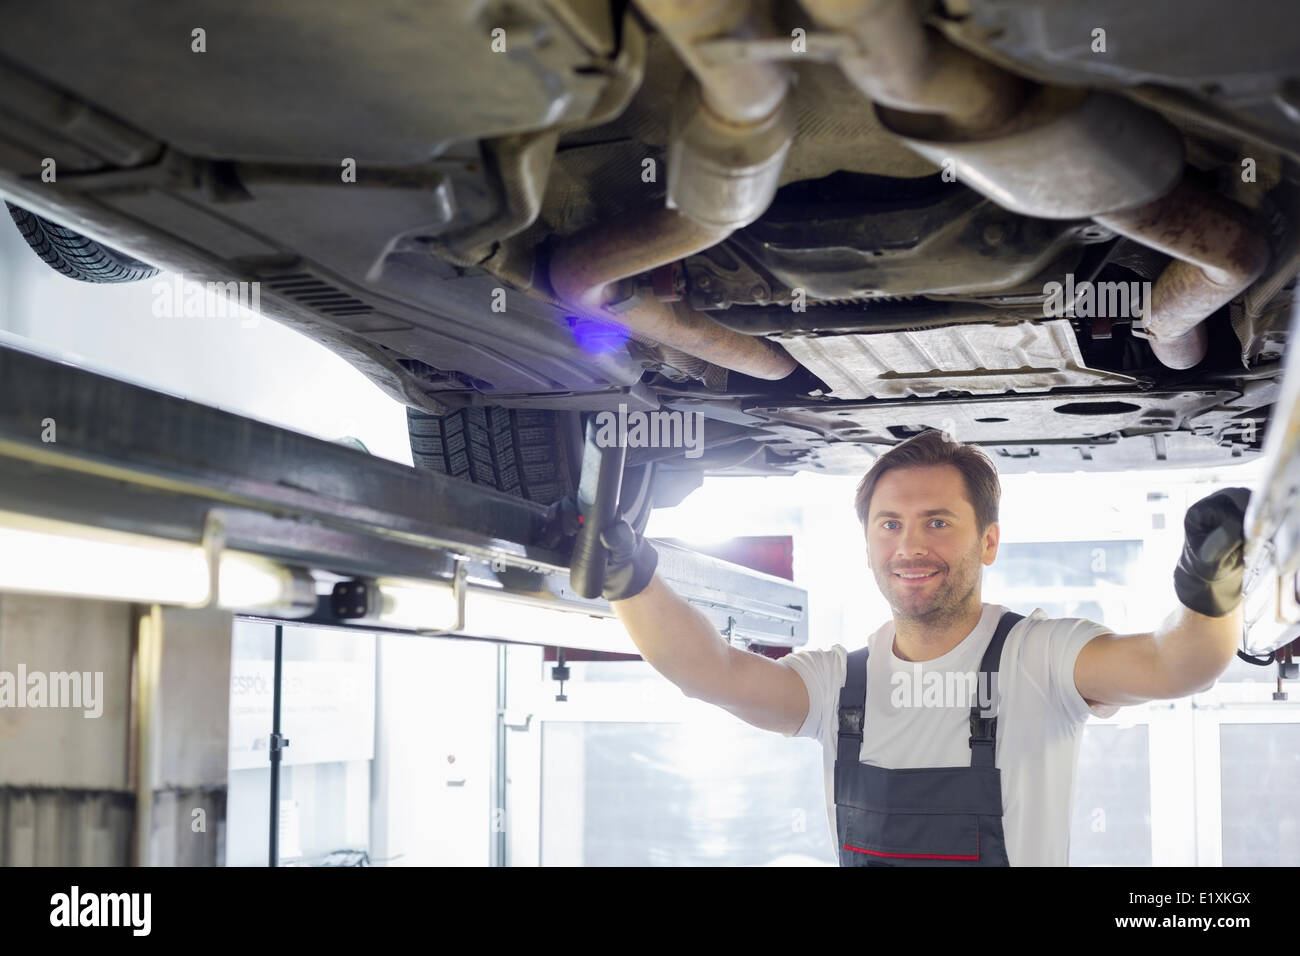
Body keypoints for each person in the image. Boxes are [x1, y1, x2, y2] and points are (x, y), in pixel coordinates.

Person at [594, 429, 1250, 866]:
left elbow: (1177, 665)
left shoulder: (1039, 657)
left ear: (988, 541)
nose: (910, 547)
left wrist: (1207, 581)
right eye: (890, 524)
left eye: (937, 522)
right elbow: (708, 671)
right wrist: (629, 574)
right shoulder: (836, 685)